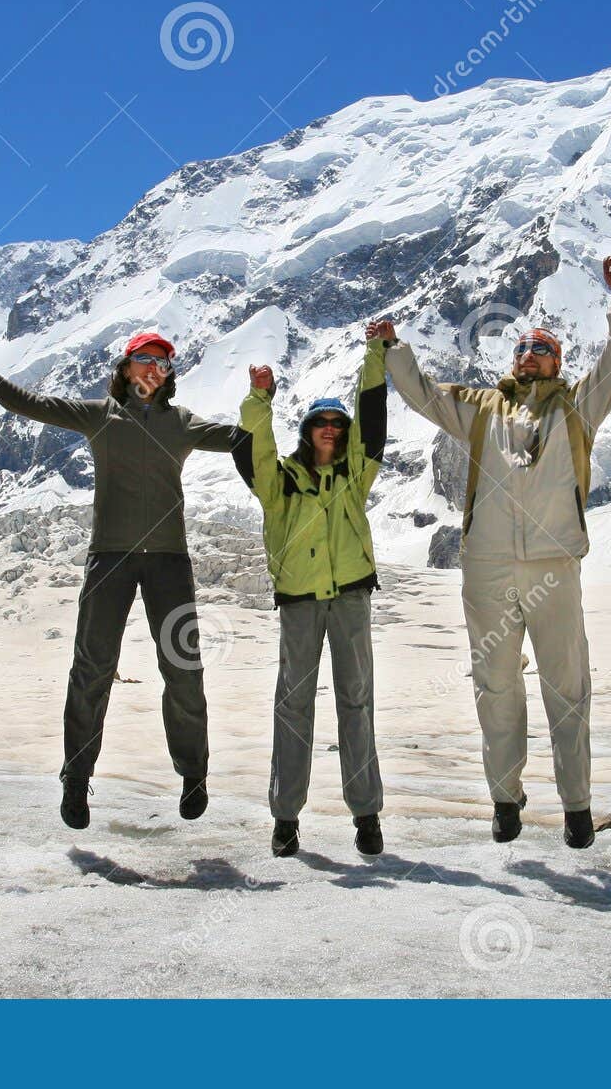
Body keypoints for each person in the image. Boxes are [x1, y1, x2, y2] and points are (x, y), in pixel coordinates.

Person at [372, 255, 611, 849]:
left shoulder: (578, 407)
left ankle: (577, 806)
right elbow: (420, 393)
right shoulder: (478, 408)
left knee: (565, 683)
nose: (531, 354)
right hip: (488, 566)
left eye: (543, 348)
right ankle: (505, 798)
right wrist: (395, 349)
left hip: (554, 565)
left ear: (559, 362)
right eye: (523, 347)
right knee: (494, 681)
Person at [0, 328, 244, 831]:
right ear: (126, 368)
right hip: (111, 560)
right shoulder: (98, 415)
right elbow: (27, 403)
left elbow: (242, 439)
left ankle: (194, 775)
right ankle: (77, 779)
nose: (155, 368)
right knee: (92, 669)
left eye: (164, 363)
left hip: (169, 561)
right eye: (146, 360)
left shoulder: (183, 423)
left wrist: (263, 401)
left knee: (183, 669)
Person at [234, 330, 388, 858]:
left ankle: (366, 815)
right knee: (293, 707)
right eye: (320, 422)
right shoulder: (281, 483)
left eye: (337, 424)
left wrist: (376, 356)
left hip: (349, 597)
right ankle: (286, 818)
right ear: (307, 430)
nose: (330, 429)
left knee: (356, 702)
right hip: (299, 601)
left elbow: (373, 418)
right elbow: (253, 454)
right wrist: (259, 401)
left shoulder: (356, 472)